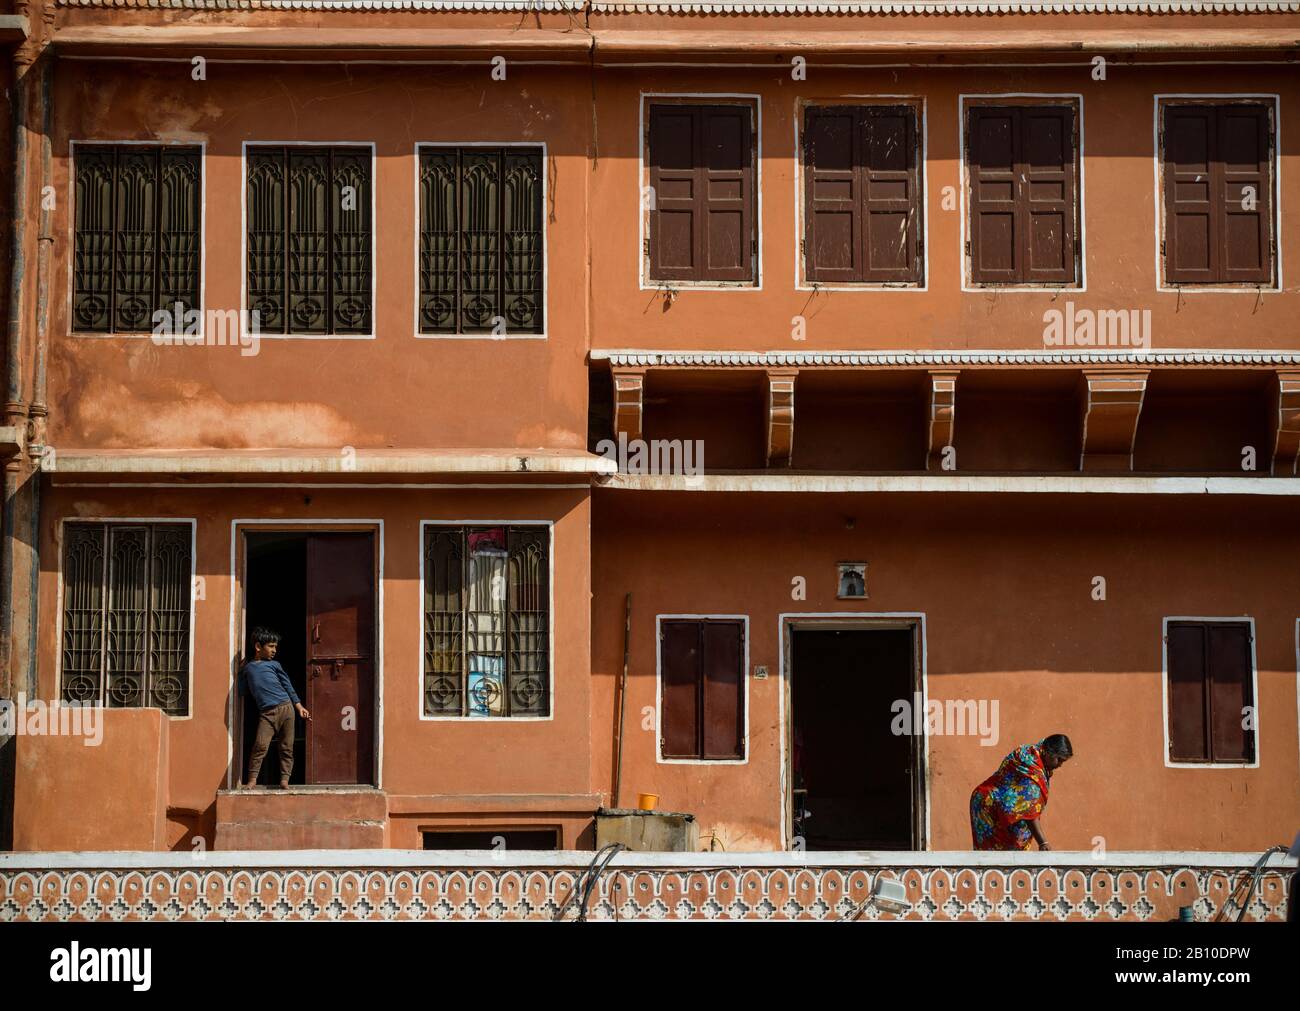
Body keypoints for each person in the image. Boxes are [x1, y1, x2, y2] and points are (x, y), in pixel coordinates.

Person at [970, 734, 1073, 851]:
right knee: (991, 857)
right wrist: (1043, 842)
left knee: (1005, 859)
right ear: (1049, 752)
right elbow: (1030, 811)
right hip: (988, 806)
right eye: (1059, 759)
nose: (1060, 765)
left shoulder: (1035, 752)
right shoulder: (1032, 770)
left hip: (997, 805)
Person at [239, 627, 309, 788]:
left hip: (287, 709)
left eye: (275, 647)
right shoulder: (249, 668)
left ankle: (284, 780)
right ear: (258, 647)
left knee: (286, 747)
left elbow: (288, 685)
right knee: (260, 746)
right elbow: (242, 691)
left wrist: (299, 707)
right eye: (271, 646)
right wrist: (240, 672)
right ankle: (252, 780)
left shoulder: (275, 665)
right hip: (266, 714)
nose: (274, 650)